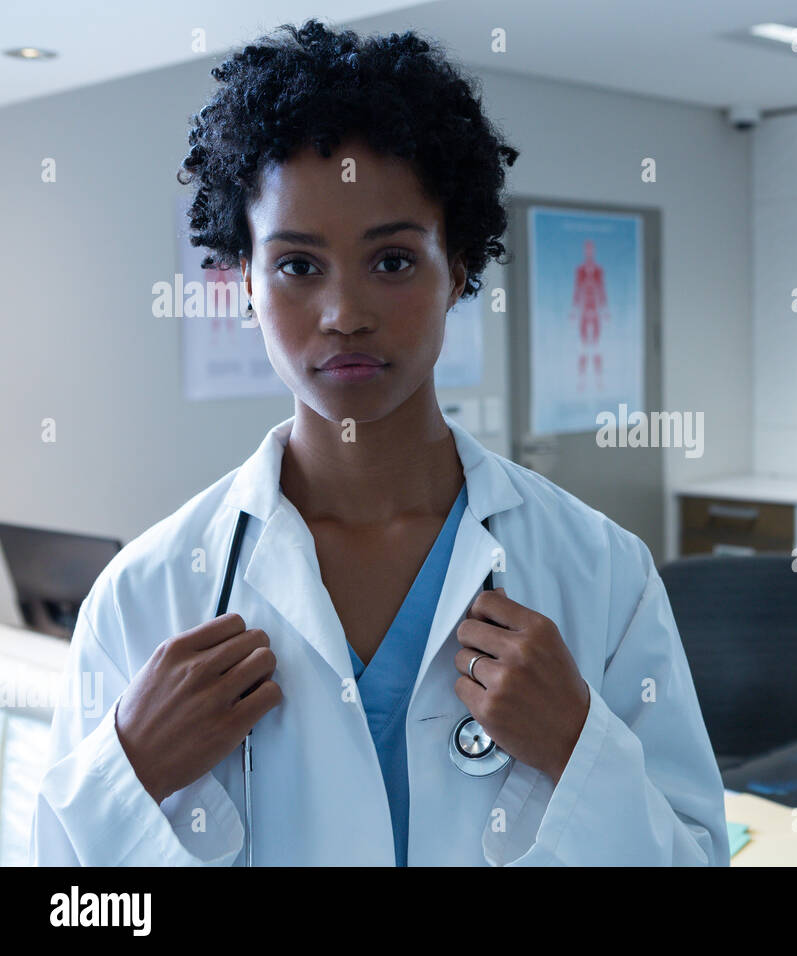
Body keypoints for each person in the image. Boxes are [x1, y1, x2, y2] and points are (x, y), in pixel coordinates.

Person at [29, 18, 729, 866]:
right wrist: (126, 775)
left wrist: (581, 748)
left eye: (392, 260)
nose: (344, 313)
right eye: (296, 265)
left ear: (459, 267)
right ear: (243, 283)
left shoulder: (601, 573)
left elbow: (697, 857)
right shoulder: (146, 597)